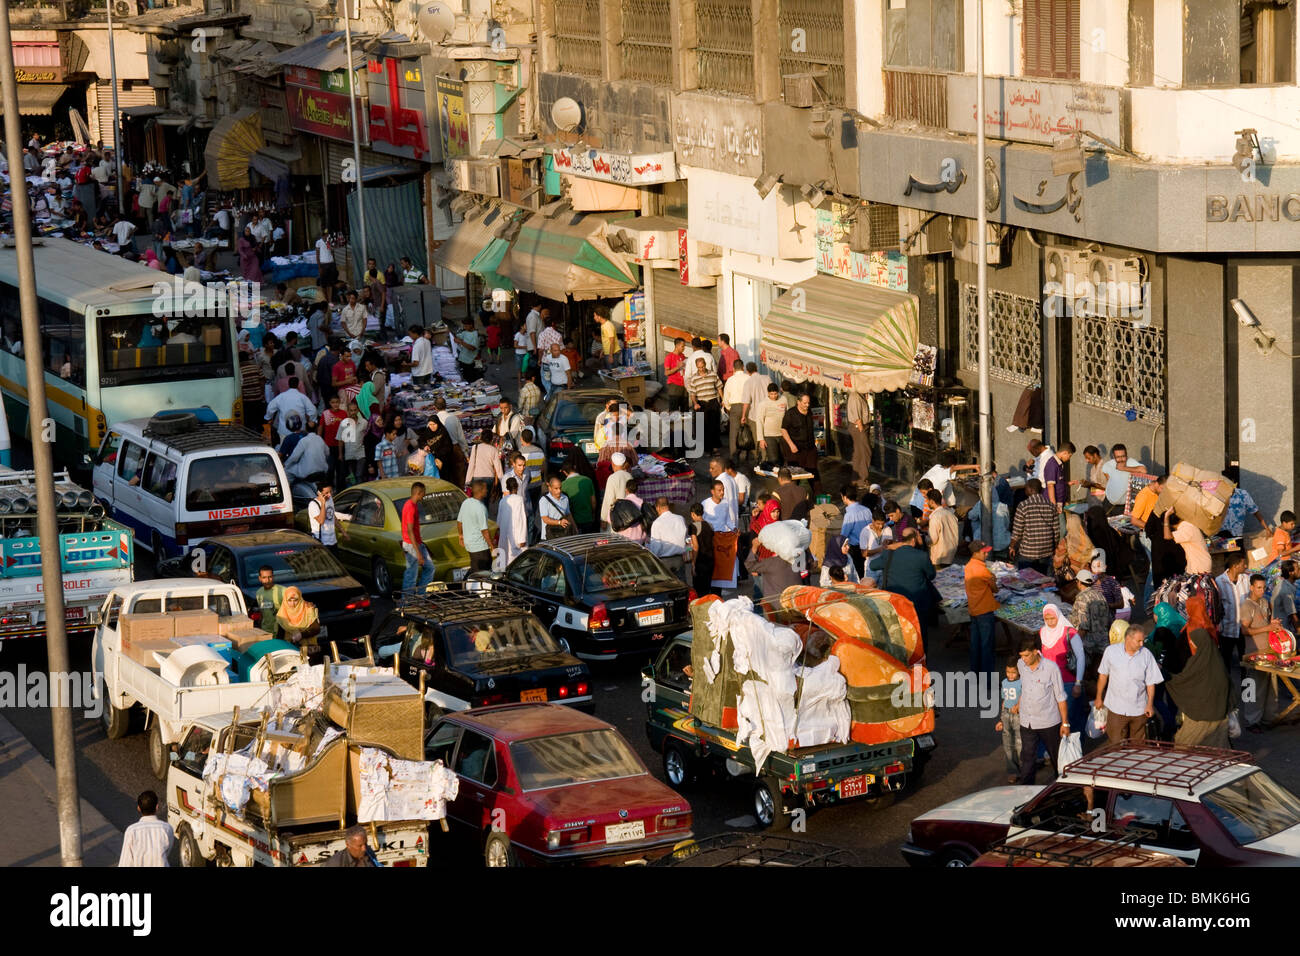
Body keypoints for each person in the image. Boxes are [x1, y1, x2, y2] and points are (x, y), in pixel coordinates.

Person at [1166, 625, 1234, 748]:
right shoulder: (1217, 660)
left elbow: (1184, 680)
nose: (1193, 644)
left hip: (1200, 716)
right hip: (1219, 715)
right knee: (1218, 749)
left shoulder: (1197, 662)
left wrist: (1166, 676)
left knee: (1185, 745)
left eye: (1194, 642)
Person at [1015, 636, 1070, 784]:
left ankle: (1063, 787)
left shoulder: (1051, 668)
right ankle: (1025, 791)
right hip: (1027, 721)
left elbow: (1060, 697)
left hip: (1049, 722)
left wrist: (1065, 723)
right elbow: (1024, 687)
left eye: (1026, 655)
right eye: (1021, 656)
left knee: (1056, 758)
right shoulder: (1020, 665)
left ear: (1036, 652)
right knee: (1027, 757)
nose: (1024, 659)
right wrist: (1019, 703)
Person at [1095, 623, 1163, 744]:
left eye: (1143, 640)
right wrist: (1099, 697)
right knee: (1116, 745)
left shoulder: (1146, 655)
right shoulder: (1111, 652)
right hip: (1116, 709)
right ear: (1128, 639)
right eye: (1139, 641)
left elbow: (1151, 683)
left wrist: (1149, 704)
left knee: (1138, 747)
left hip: (1139, 709)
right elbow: (1103, 675)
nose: (1142, 644)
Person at [868, 529, 937, 637]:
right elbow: (931, 575)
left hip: (895, 600)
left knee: (899, 632)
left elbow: (872, 565)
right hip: (917, 601)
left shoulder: (889, 554)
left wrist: (889, 549)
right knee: (920, 632)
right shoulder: (921, 556)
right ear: (913, 540)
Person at [1240, 573, 1281, 731]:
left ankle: (1268, 717)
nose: (1262, 590)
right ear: (1251, 587)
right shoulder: (1247, 606)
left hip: (1269, 650)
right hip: (1254, 653)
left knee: (1271, 687)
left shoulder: (1264, 602)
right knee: (1254, 689)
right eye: (1258, 588)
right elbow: (1244, 630)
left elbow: (1265, 621)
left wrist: (1273, 624)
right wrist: (1268, 628)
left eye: (1264, 587)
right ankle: (1251, 722)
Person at [1039, 601, 1087, 730]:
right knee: (1056, 718)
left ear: (1058, 616)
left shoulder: (1070, 633)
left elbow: (1081, 657)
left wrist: (1078, 683)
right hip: (1050, 684)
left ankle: (1075, 748)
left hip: (1068, 682)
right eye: (1046, 619)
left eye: (1052, 618)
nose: (1050, 622)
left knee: (1071, 718)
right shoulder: (1043, 632)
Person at [1008, 478, 1057, 575]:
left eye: (1025, 488)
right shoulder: (1051, 505)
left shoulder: (1023, 505)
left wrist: (1012, 547)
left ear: (1030, 490)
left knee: (1026, 580)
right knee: (1042, 578)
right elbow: (1056, 531)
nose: (1024, 490)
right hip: (1046, 550)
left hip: (1028, 552)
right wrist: (1054, 548)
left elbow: (1017, 531)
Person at [965, 540, 1000, 674]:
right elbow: (995, 588)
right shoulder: (981, 569)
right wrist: (993, 579)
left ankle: (975, 675)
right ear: (976, 553)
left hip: (974, 610)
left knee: (975, 645)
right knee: (987, 647)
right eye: (984, 552)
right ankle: (987, 680)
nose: (986, 555)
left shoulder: (969, 566)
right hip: (985, 611)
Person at [118, 790, 174, 867]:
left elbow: (126, 861)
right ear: (157, 807)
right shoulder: (167, 828)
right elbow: (167, 851)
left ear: (139, 808)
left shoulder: (132, 831)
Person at [1215, 551, 1249, 671]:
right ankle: (1227, 688)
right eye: (1243, 564)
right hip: (1227, 631)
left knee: (1245, 663)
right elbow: (1217, 607)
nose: (1246, 566)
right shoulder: (1219, 582)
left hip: (1243, 629)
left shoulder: (1246, 579)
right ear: (1235, 566)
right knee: (1225, 663)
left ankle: (1246, 689)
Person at [401, 482, 436, 594]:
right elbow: (410, 531)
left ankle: (420, 597)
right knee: (411, 575)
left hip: (416, 543)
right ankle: (406, 604)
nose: (424, 496)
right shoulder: (410, 507)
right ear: (418, 493)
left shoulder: (411, 505)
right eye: (423, 494)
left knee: (430, 568)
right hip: (412, 545)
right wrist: (418, 553)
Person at [1220, 467, 1272, 543]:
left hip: (1237, 536)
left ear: (1233, 481)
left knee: (1237, 554)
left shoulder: (1242, 494)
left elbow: (1255, 512)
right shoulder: (1218, 494)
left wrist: (1266, 528)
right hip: (1221, 536)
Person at [994, 658, 1023, 783]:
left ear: (1019, 672)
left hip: (1019, 715)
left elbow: (1025, 696)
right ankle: (1013, 771)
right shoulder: (1004, 682)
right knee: (1007, 744)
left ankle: (1025, 768)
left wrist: (1018, 706)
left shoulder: (1022, 682)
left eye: (1013, 673)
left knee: (1020, 743)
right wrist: (1001, 719)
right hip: (1006, 714)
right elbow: (1004, 701)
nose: (1010, 675)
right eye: (1008, 672)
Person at [687, 356, 723, 455]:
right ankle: (707, 449)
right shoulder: (694, 378)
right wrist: (695, 403)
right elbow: (693, 394)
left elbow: (719, 387)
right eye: (699, 367)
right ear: (696, 367)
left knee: (715, 426)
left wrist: (723, 399)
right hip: (702, 404)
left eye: (702, 367)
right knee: (704, 427)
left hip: (713, 402)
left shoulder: (713, 374)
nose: (701, 369)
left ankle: (715, 448)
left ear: (705, 365)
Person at [780, 393, 818, 482]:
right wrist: (791, 445)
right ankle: (793, 492)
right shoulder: (790, 413)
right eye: (805, 403)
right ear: (798, 402)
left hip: (809, 447)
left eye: (808, 403)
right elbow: (783, 430)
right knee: (795, 474)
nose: (807, 405)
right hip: (795, 448)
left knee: (813, 472)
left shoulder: (810, 412)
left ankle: (818, 494)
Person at [458, 479, 495, 572]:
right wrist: (492, 546)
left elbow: (459, 522)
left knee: (475, 568)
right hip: (480, 547)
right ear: (481, 490)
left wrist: (461, 535)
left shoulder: (466, 503)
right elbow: (484, 531)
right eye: (485, 489)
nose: (487, 490)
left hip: (469, 545)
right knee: (483, 573)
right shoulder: (481, 508)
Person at [1099, 444, 1147, 516]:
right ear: (1113, 456)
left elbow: (1143, 471)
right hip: (1108, 503)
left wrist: (1124, 468)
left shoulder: (1130, 462)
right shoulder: (1108, 465)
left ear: (1126, 455)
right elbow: (1108, 478)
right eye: (1118, 457)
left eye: (1123, 456)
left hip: (1123, 507)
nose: (1121, 459)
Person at [753, 382, 788, 471]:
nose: (773, 396)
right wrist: (761, 439)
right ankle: (774, 481)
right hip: (769, 436)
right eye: (771, 394)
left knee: (784, 459)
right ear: (768, 393)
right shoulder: (763, 404)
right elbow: (759, 421)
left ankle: (784, 478)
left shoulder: (783, 399)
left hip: (782, 434)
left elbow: (788, 415)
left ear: (778, 392)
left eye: (775, 393)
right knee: (773, 460)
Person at [722, 358, 750, 462]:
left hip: (734, 407)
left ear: (733, 368)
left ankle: (734, 456)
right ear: (743, 367)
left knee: (734, 432)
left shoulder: (730, 380)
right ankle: (746, 454)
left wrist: (729, 408)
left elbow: (726, 397)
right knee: (747, 430)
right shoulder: (748, 378)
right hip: (747, 406)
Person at [561, 455, 598, 533]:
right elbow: (593, 502)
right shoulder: (588, 480)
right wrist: (593, 514)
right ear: (575, 467)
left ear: (564, 472)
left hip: (573, 521)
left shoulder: (563, 485)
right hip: (588, 518)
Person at [497, 476, 528, 566]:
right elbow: (522, 519)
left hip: (505, 537)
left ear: (507, 488)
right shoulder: (519, 499)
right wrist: (522, 538)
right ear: (517, 486)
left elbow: (499, 521)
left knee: (505, 562)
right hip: (517, 536)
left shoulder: (502, 501)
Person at [1041, 441, 1075, 519]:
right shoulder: (1052, 464)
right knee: (1061, 529)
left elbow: (1058, 483)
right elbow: (1050, 486)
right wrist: (1054, 506)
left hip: (1059, 503)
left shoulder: (1059, 464)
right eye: (1070, 456)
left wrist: (1067, 483)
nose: (1069, 459)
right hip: (1054, 504)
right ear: (1065, 453)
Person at [926, 489, 959, 567]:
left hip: (940, 556)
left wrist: (925, 538)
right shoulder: (951, 514)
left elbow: (933, 539)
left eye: (927, 500)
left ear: (931, 501)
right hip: (951, 554)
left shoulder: (935, 517)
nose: (927, 503)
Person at [600, 451, 633, 529]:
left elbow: (608, 499)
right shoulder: (629, 476)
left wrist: (603, 519)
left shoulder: (612, 477)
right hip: (628, 515)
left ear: (613, 464)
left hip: (615, 517)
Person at [688, 501, 715, 597]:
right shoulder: (710, 525)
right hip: (711, 561)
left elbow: (695, 546)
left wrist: (693, 563)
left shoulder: (693, 526)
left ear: (693, 514)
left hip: (701, 562)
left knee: (699, 591)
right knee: (707, 589)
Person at [539, 473, 576, 540]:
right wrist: (559, 522)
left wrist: (575, 528)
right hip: (548, 536)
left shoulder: (565, 498)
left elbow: (568, 514)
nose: (559, 491)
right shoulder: (544, 500)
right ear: (550, 488)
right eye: (556, 488)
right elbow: (545, 519)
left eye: (560, 488)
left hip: (563, 534)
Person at [663, 338, 688, 412]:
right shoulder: (669, 357)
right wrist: (677, 367)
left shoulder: (683, 356)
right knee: (674, 408)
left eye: (684, 346)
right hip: (674, 385)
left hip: (684, 384)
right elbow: (666, 372)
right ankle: (674, 423)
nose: (684, 348)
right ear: (677, 346)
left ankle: (685, 423)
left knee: (685, 408)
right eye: (682, 346)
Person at [1275, 560, 1300, 633]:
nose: (1299, 570)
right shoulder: (1285, 590)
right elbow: (1293, 616)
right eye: (1298, 569)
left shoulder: (1290, 584)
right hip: (1286, 629)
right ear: (1291, 573)